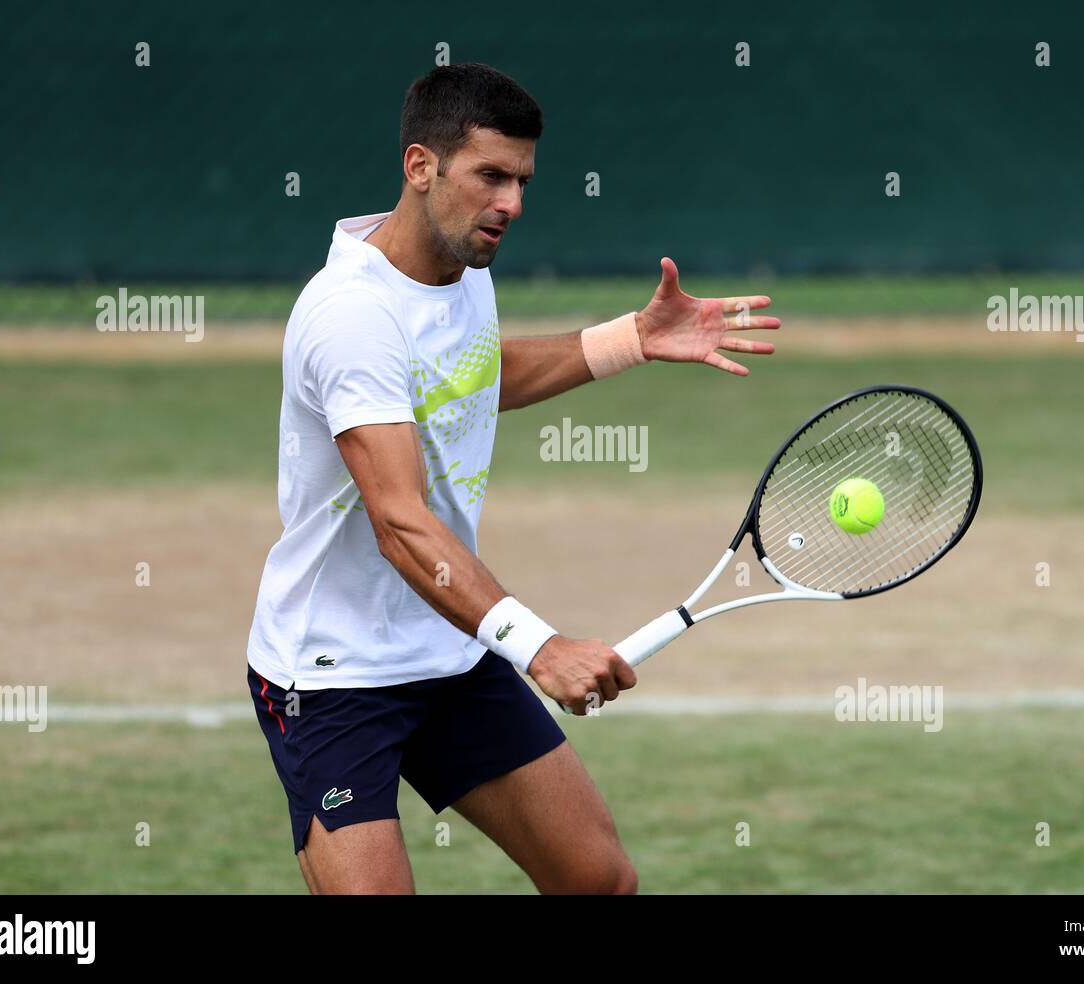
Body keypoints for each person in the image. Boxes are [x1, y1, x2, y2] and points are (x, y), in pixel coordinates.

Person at [246, 62, 779, 894]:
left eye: (523, 180)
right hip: (334, 675)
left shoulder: (464, 274)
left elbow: (472, 375)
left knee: (598, 880)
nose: (513, 204)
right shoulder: (349, 313)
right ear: (421, 167)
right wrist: (540, 648)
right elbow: (399, 525)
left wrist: (632, 338)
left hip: (448, 647)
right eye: (491, 176)